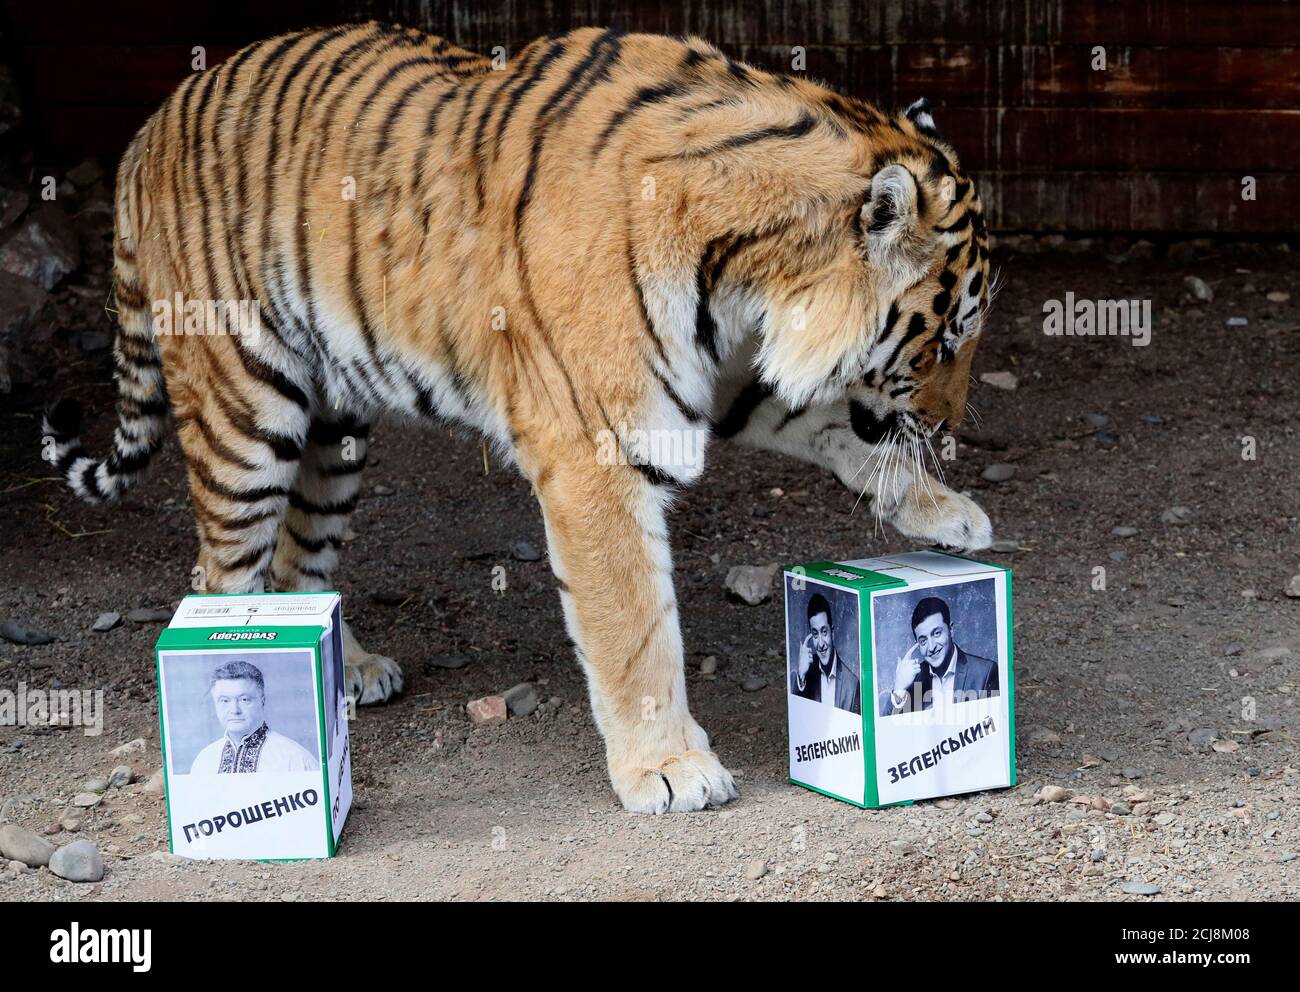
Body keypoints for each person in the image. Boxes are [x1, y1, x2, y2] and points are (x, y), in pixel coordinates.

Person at [189, 660, 319, 774]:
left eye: (244, 699)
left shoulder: (295, 759)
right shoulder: (204, 761)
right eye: (225, 701)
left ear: (262, 701)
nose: (234, 710)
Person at [879, 595, 998, 717]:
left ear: (951, 630)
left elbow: (994, 727)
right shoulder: (912, 680)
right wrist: (899, 688)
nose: (931, 647)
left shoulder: (985, 672)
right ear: (918, 645)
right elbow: (885, 731)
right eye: (923, 640)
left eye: (936, 633)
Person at [791, 593, 861, 714]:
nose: (821, 644)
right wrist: (801, 676)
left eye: (824, 632)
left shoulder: (852, 684)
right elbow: (796, 716)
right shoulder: (805, 675)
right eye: (815, 634)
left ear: (832, 632)